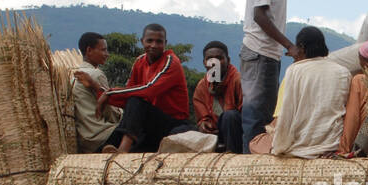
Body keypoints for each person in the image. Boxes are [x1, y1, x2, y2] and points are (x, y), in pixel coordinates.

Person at [241, 0, 298, 152]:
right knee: (255, 115)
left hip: (267, 52)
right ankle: (248, 164)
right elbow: (260, 15)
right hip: (259, 51)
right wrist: (289, 45)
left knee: (264, 114)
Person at [99, 23, 191, 153]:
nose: (154, 45)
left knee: (136, 101)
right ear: (142, 41)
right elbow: (128, 94)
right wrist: (104, 94)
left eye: (159, 42)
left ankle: (123, 150)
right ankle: (101, 154)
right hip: (147, 123)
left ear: (165, 43)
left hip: (173, 123)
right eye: (149, 41)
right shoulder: (140, 61)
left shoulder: (171, 61)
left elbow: (150, 90)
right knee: (103, 148)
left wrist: (110, 94)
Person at [267, 27, 351, 159]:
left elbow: (286, 115)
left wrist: (278, 147)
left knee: (256, 142)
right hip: (332, 145)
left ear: (301, 47)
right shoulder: (343, 72)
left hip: (300, 147)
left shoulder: (294, 70)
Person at [70, 32, 121, 153]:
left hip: (84, 138)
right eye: (103, 50)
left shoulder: (73, 76)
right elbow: (112, 114)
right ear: (89, 50)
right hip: (101, 135)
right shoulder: (96, 74)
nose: (107, 54)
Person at [193, 41, 243, 153]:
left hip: (236, 133)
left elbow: (245, 115)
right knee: (181, 130)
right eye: (210, 59)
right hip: (213, 134)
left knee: (230, 116)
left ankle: (232, 154)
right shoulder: (202, 86)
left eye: (219, 58)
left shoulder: (238, 80)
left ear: (228, 60)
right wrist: (204, 124)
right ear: (204, 62)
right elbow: (202, 116)